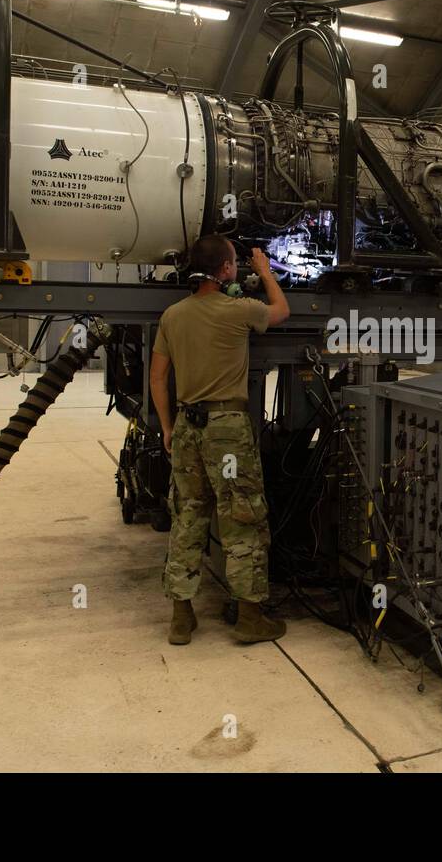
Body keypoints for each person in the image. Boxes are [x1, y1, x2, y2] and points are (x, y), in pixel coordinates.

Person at [149, 235, 290, 645]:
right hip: (226, 427)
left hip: (187, 424)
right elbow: (281, 310)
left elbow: (158, 377)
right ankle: (249, 617)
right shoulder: (239, 310)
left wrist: (168, 426)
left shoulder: (173, 316)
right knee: (242, 517)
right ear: (227, 270)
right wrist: (265, 273)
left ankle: (180, 617)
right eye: (235, 264)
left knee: (188, 515)